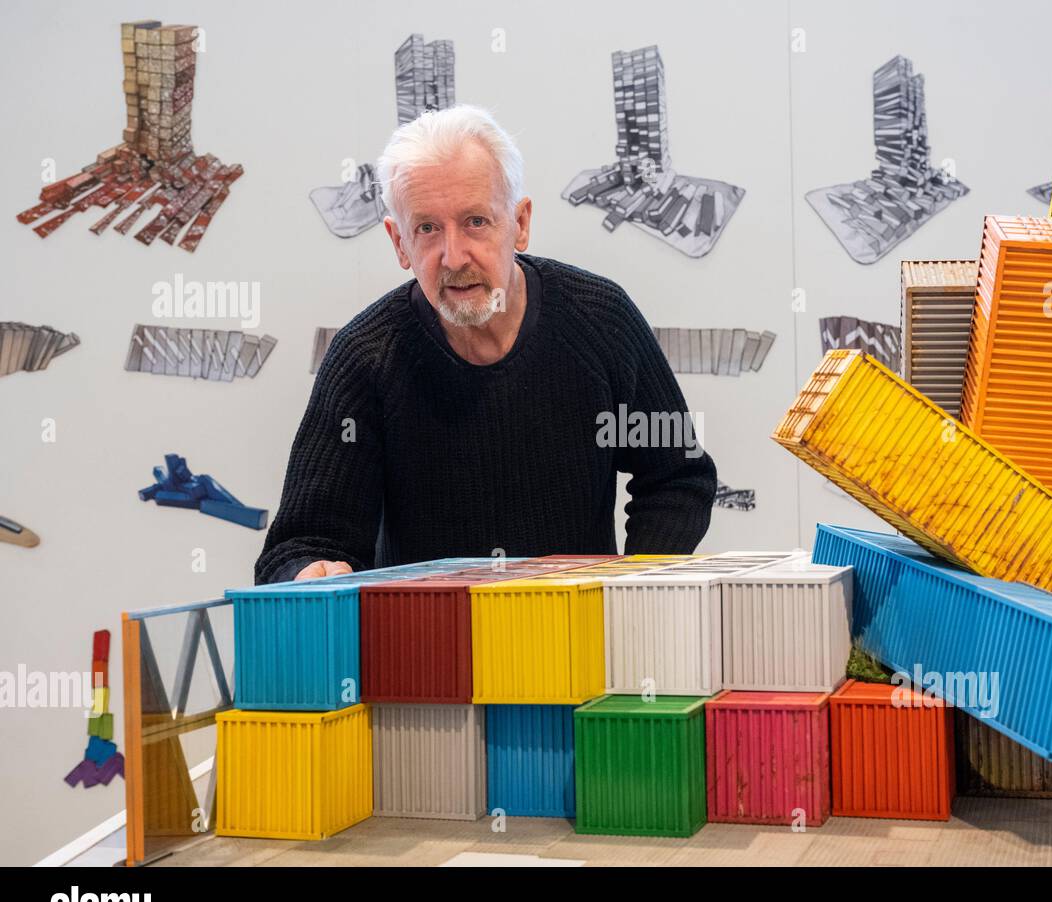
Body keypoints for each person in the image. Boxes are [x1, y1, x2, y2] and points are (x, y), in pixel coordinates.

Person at [254, 105, 717, 584]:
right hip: (430, 646)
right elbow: (302, 543)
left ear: (520, 224)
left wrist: (631, 587)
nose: (453, 257)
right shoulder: (365, 359)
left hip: (580, 641)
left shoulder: (601, 320)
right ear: (398, 243)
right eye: (427, 229)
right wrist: (310, 571)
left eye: (476, 221)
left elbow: (678, 477)